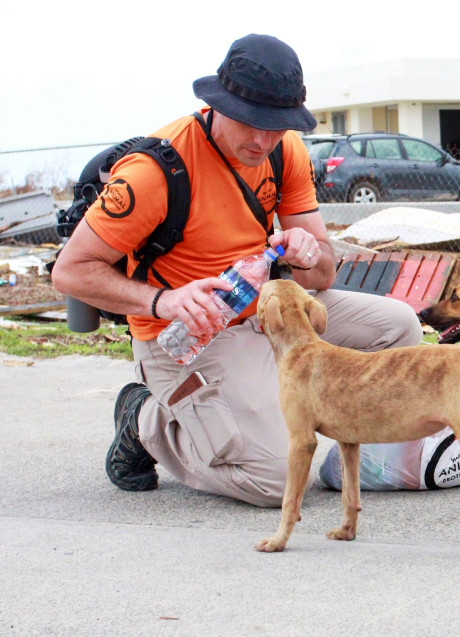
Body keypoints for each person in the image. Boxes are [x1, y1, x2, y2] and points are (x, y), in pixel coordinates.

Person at [52, 34, 422, 507]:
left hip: (264, 313)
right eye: (252, 124)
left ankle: (355, 453)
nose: (262, 140)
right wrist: (164, 300)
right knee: (273, 481)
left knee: (398, 328)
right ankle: (145, 420)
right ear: (217, 104)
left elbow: (322, 276)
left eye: (278, 126)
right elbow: (70, 271)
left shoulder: (283, 151)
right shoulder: (154, 171)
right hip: (183, 334)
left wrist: (306, 255)